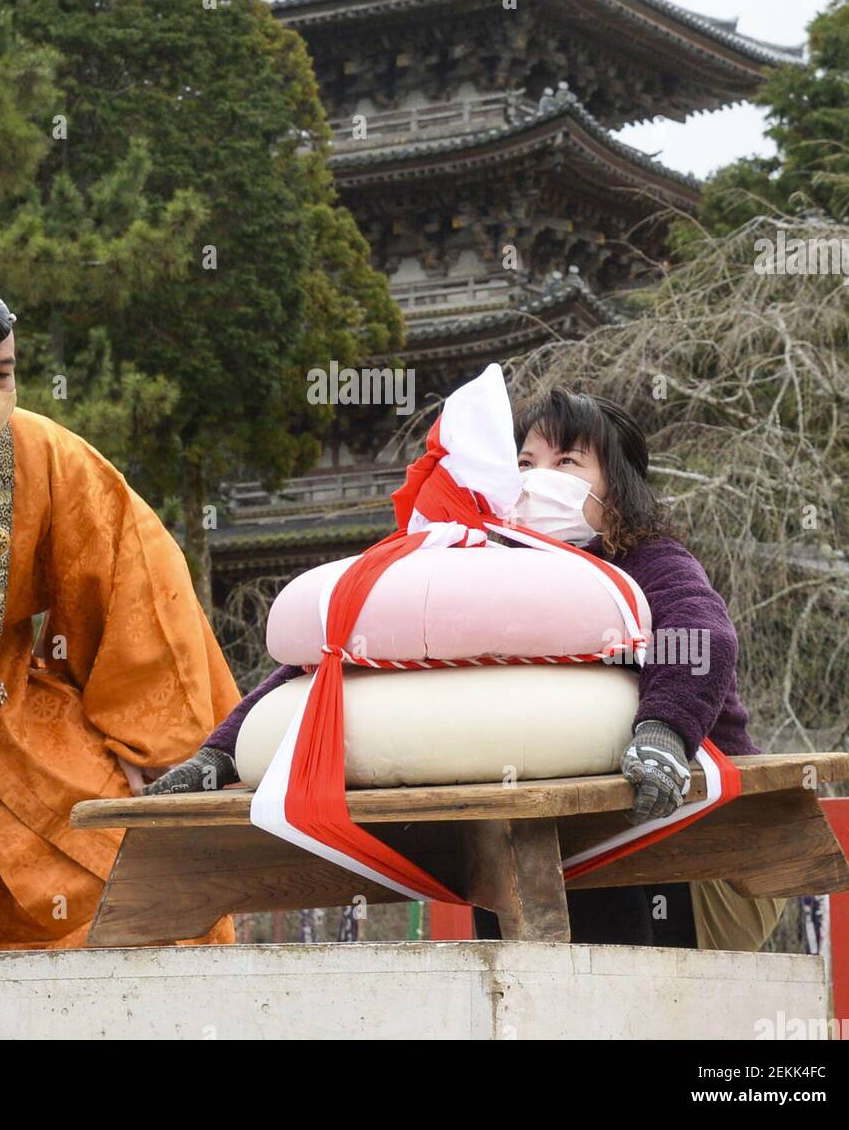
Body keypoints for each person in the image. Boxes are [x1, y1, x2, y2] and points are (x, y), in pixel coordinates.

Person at [148, 385, 784, 953]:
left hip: (694, 845)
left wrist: (663, 733)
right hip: (529, 828)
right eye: (526, 465)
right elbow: (338, 654)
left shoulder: (649, 561)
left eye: (567, 463)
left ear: (617, 487)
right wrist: (221, 752)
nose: (541, 480)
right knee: (507, 853)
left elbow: (700, 636)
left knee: (585, 844)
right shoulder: (494, 570)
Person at [0, 279, 240, 1039]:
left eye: (4, 374)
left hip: (1, 713)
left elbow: (131, 582)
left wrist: (156, 747)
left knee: (116, 864)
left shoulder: (47, 456)